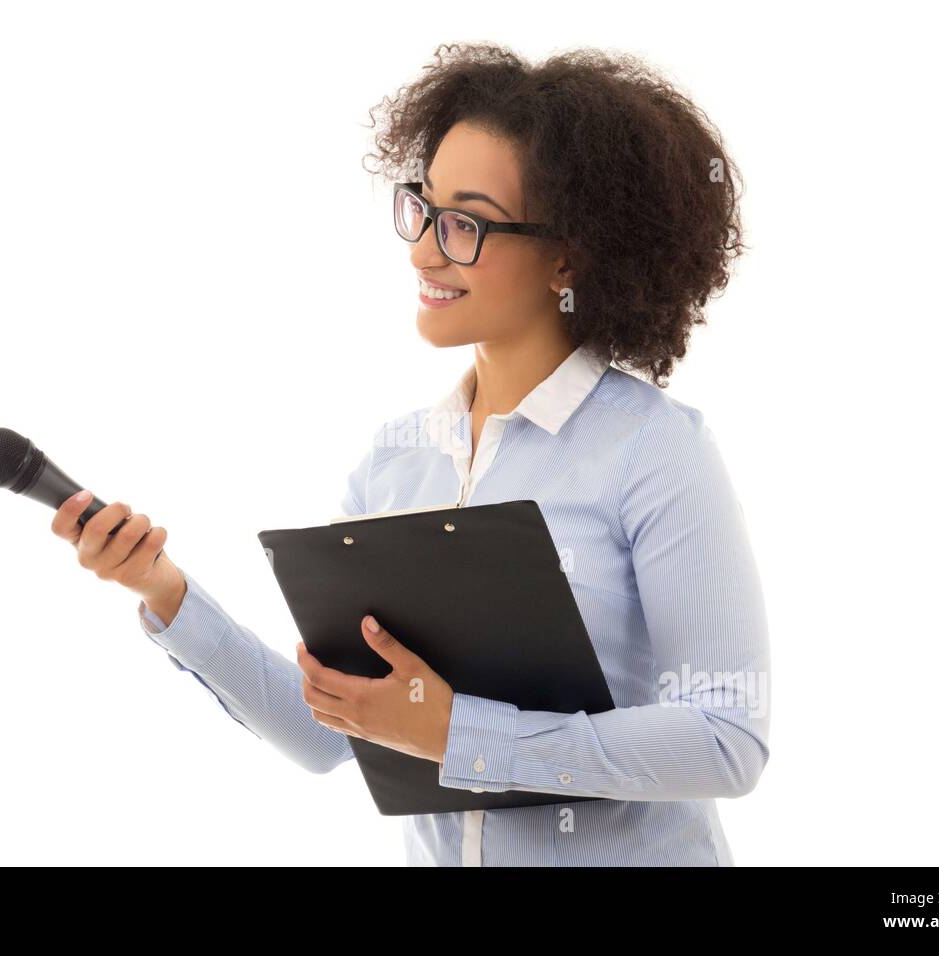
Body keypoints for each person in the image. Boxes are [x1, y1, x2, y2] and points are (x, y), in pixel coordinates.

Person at [50, 42, 770, 866]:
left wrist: (460, 732)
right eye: (421, 209)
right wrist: (163, 590)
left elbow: (725, 738)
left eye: (466, 222)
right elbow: (329, 730)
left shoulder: (655, 452)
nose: (424, 250)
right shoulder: (397, 467)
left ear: (567, 255)